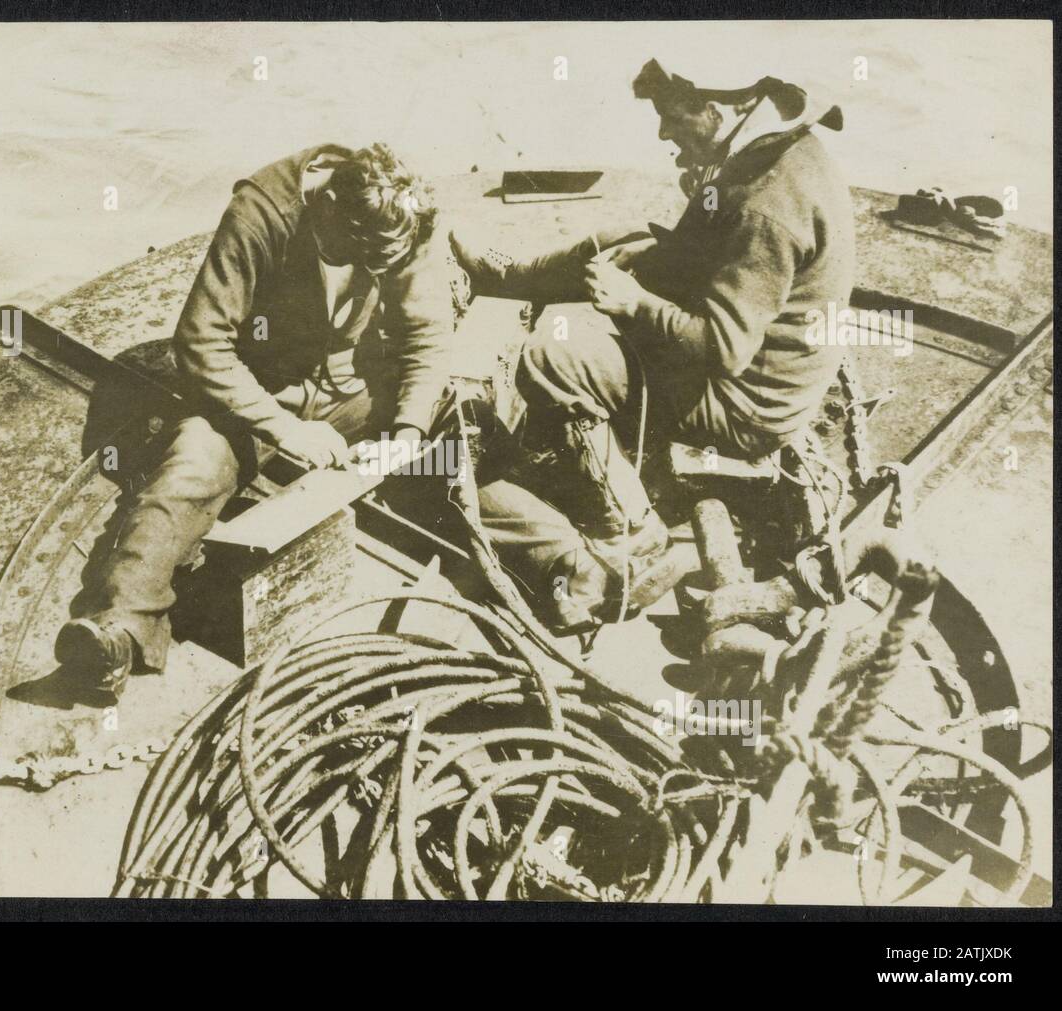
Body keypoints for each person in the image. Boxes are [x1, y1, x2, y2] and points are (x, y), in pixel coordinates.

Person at [454, 58, 855, 636]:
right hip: (754, 370)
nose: (664, 134)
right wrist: (645, 266)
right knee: (633, 242)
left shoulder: (765, 204)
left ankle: (634, 534)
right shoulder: (775, 152)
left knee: (554, 355)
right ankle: (511, 275)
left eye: (671, 119)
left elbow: (723, 347)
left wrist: (634, 304)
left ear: (717, 109)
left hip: (745, 403)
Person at [56, 142, 454, 699]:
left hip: (353, 387)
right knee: (192, 465)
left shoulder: (404, 213)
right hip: (262, 384)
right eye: (354, 257)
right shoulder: (261, 211)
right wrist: (285, 428)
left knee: (456, 443)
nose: (371, 273)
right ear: (327, 208)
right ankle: (119, 629)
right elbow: (202, 340)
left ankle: (561, 568)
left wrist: (407, 434)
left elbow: (426, 338)